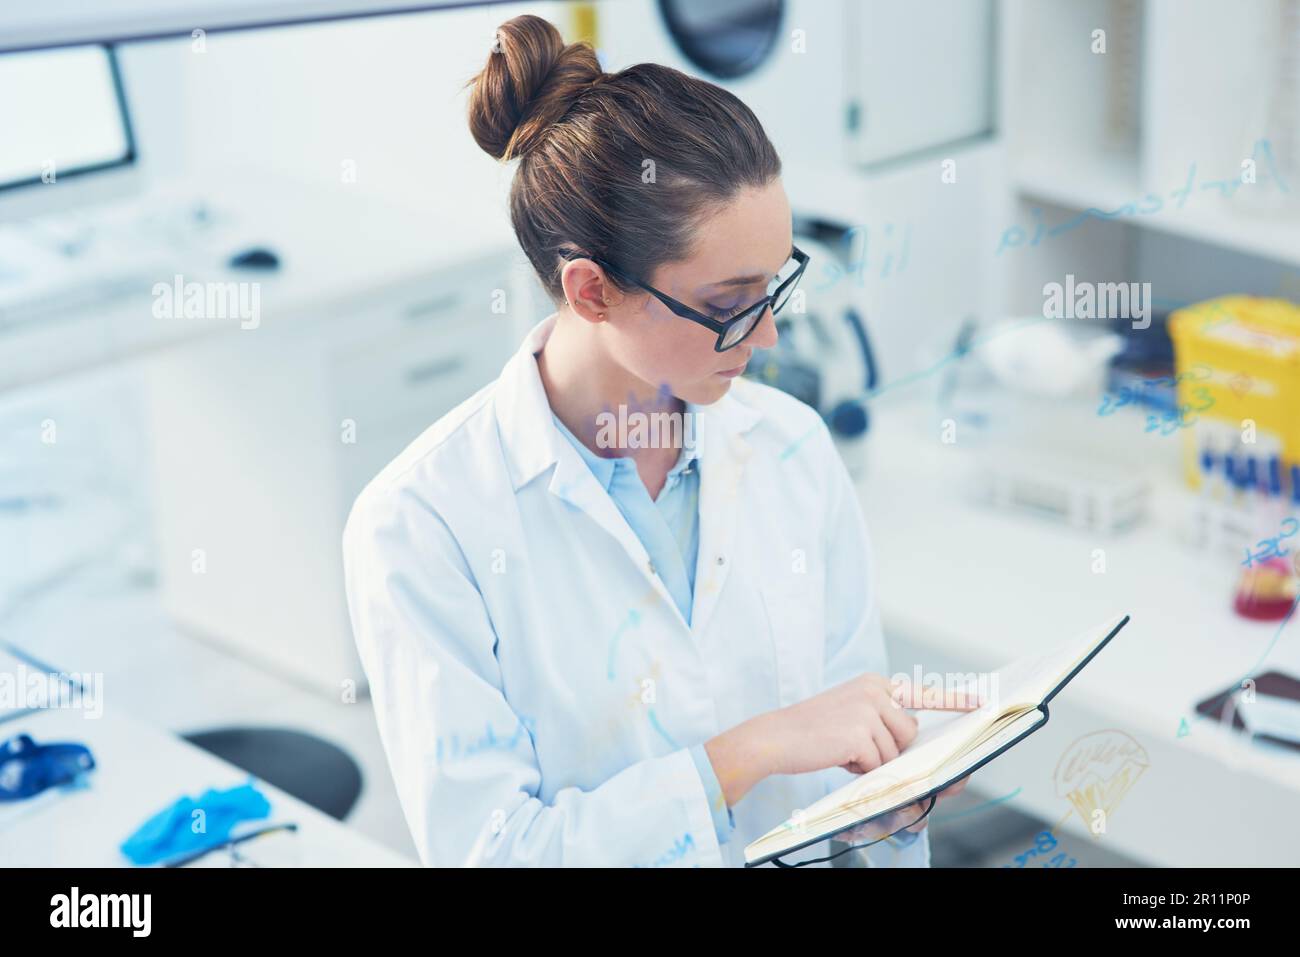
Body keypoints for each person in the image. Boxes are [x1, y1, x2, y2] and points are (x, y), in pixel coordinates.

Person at [342, 13, 977, 868]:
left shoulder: (792, 448)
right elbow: (496, 852)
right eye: (727, 306)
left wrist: (890, 805)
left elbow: (846, 767)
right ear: (592, 289)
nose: (768, 341)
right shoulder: (423, 523)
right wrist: (743, 756)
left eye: (776, 285)